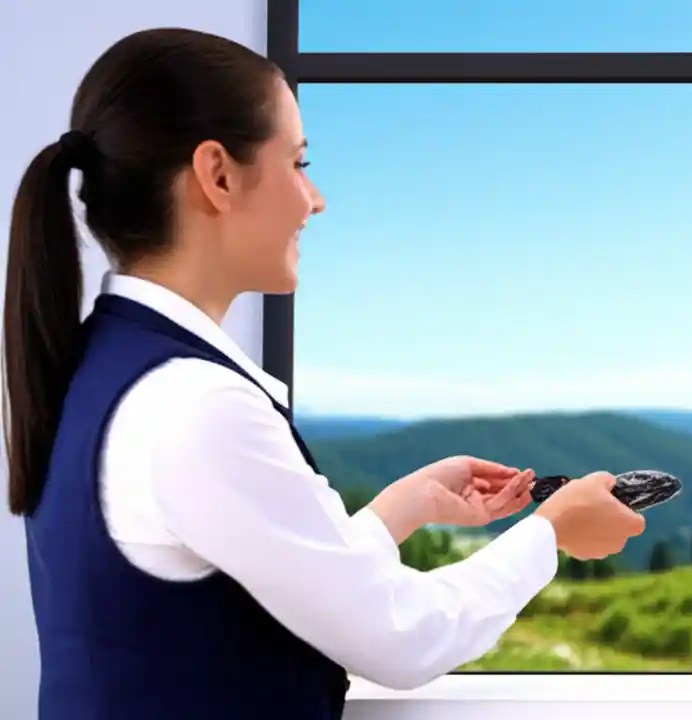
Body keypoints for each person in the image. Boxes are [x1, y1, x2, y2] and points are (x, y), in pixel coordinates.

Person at [5, 27, 645, 719]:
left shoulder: (104, 368)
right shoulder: (197, 406)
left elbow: (285, 568)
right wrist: (552, 531)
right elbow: (403, 637)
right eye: (298, 162)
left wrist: (405, 506)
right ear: (218, 175)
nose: (315, 200)